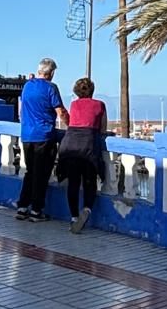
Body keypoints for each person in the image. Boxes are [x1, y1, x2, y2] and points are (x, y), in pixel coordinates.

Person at [15, 58, 67, 220]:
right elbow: (60, 111)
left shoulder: (27, 86)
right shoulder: (51, 88)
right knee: (42, 173)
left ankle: (23, 206)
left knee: (30, 172)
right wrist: (72, 125)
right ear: (51, 73)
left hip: (27, 135)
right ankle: (36, 210)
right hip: (44, 135)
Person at [56, 78, 108, 234]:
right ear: (92, 90)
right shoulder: (100, 105)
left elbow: (71, 122)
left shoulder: (74, 104)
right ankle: (87, 208)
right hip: (88, 145)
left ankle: (73, 217)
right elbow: (102, 129)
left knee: (73, 182)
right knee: (89, 181)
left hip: (70, 144)